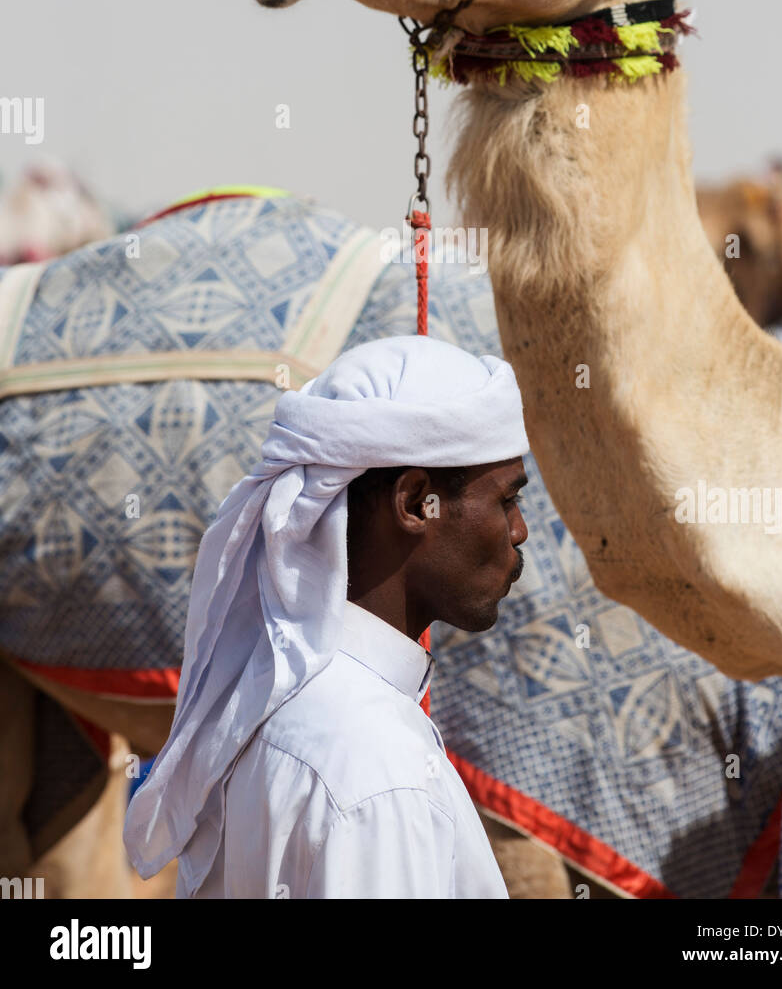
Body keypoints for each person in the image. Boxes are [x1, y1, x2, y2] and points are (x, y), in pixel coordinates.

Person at [123, 334, 530, 899]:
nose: (519, 531)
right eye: (507, 501)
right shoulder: (380, 773)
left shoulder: (269, 703)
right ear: (415, 504)